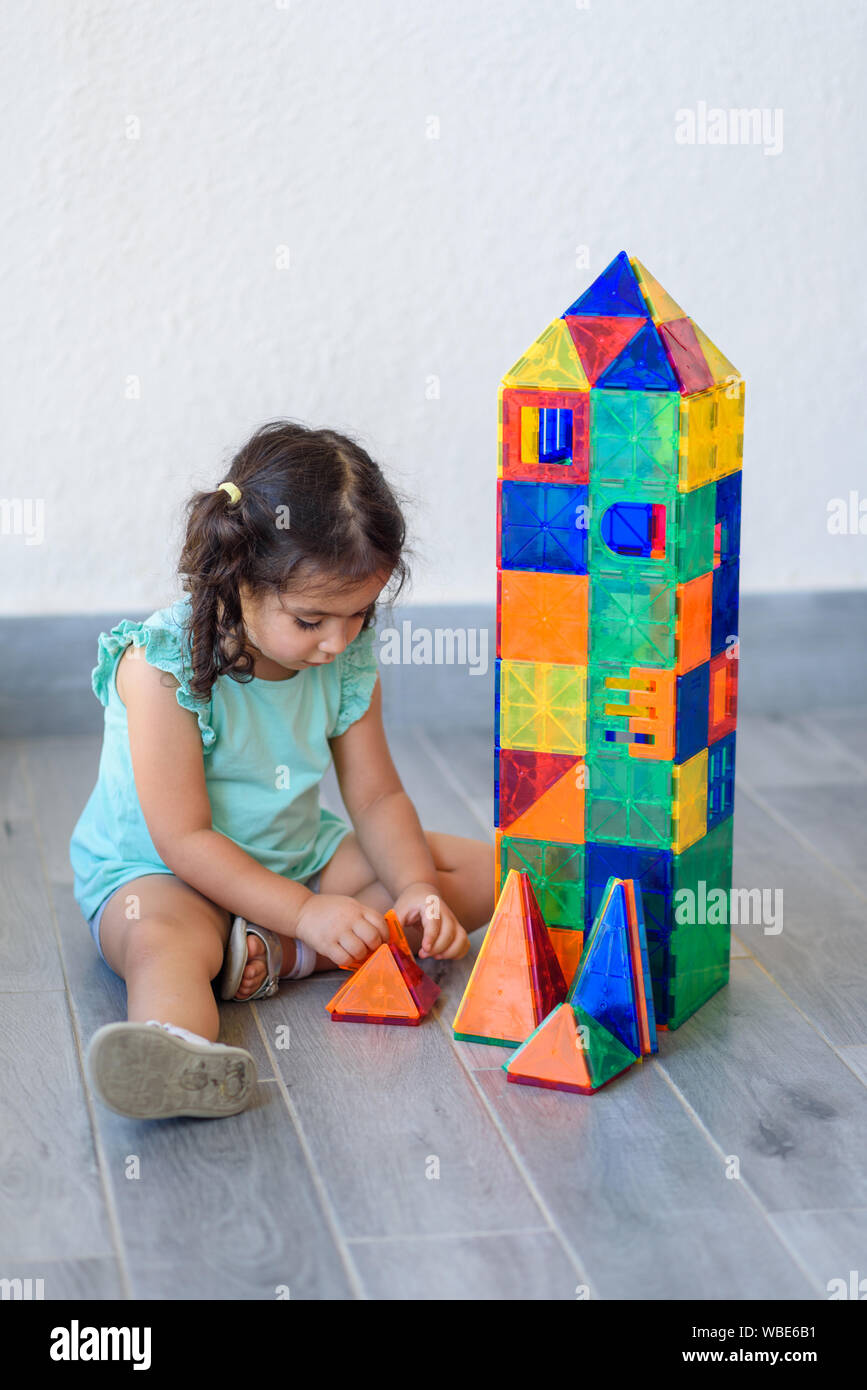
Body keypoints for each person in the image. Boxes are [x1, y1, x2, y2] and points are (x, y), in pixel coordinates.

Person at [69, 420, 494, 1120]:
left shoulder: (345, 657)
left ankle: (282, 953)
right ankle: (174, 1050)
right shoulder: (161, 667)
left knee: (480, 876)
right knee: (164, 944)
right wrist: (309, 910)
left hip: (298, 858)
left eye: (359, 614)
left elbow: (378, 794)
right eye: (311, 620)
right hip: (164, 875)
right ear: (239, 578)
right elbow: (183, 838)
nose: (337, 641)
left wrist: (416, 888)